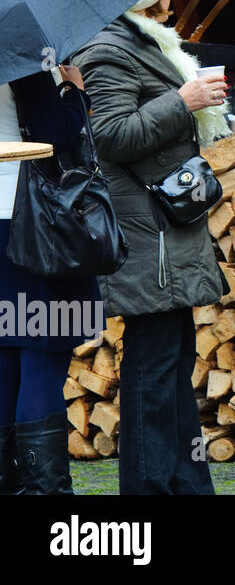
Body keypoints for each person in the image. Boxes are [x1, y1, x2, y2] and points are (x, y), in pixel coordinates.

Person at [72, 0, 230, 494]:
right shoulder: (108, 49)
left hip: (164, 229)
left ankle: (187, 487)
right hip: (146, 236)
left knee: (172, 365)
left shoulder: (147, 43)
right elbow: (112, 135)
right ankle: (147, 492)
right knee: (153, 371)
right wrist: (182, 101)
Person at [0, 67, 103, 494]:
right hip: (32, 221)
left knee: (4, 357)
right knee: (43, 353)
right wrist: (75, 95)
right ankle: (45, 493)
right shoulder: (16, 48)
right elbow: (52, 132)